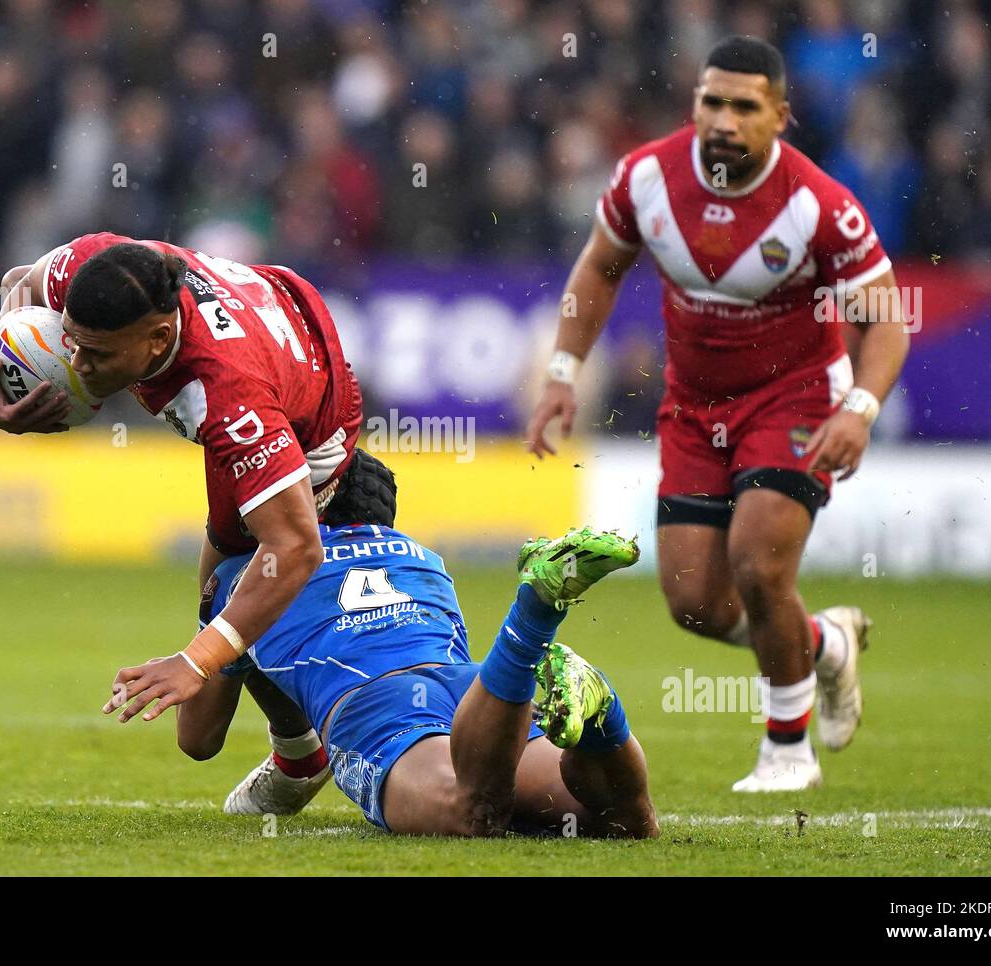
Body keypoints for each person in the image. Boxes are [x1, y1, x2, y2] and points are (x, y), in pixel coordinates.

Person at [525, 36, 910, 792]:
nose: (725, 120)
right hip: (696, 406)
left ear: (780, 116)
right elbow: (600, 267)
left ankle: (786, 748)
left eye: (745, 106)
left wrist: (859, 409)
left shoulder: (818, 205)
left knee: (759, 562)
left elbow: (886, 320)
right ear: (694, 104)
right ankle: (825, 642)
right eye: (712, 101)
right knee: (694, 601)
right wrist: (564, 371)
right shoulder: (646, 177)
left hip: (795, 396)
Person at [0, 232, 366, 810]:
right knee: (215, 663)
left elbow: (295, 548)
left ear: (159, 338)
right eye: (71, 345)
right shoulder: (97, 264)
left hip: (310, 423)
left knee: (203, 721)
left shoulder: (229, 396)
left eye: (97, 356)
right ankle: (300, 749)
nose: (77, 366)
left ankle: (302, 753)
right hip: (262, 325)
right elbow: (21, 282)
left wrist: (195, 662)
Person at [103, 487, 658, 837]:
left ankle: (535, 614)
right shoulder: (422, 556)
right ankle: (598, 707)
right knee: (621, 824)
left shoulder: (251, 578)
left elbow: (199, 740)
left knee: (473, 812)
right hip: (469, 691)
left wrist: (215, 630)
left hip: (378, 708)